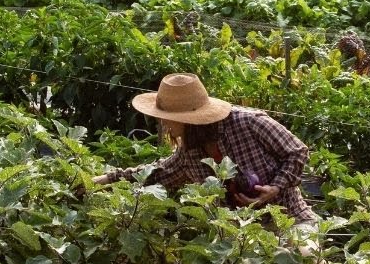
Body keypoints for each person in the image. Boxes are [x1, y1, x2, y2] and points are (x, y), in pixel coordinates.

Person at [91, 72, 317, 224]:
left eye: (168, 117)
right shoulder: (189, 153)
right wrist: (104, 180)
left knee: (305, 256)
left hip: (290, 221)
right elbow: (155, 174)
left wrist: (275, 188)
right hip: (240, 240)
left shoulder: (248, 123)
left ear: (187, 118)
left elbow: (297, 151)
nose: (163, 123)